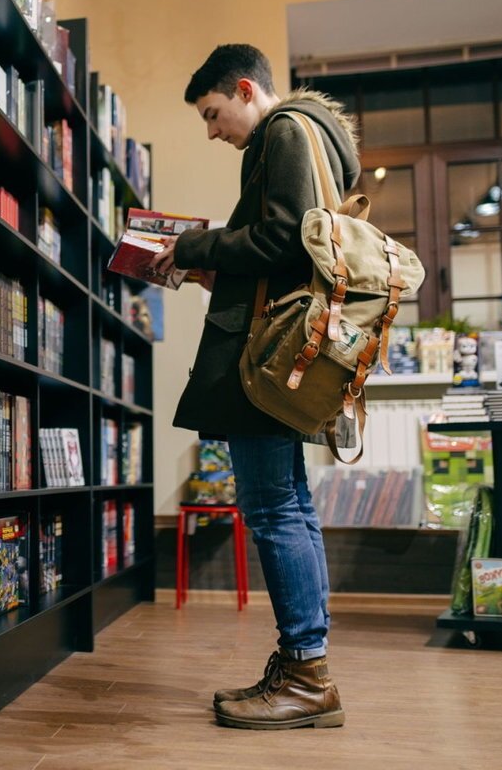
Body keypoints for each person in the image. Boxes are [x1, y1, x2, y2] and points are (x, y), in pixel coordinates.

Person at [152, 44, 359, 730]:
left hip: (268, 357)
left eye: (214, 114)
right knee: (289, 507)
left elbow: (280, 241)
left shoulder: (281, 131)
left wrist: (191, 248)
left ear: (245, 89)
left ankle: (306, 675)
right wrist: (222, 266)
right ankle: (305, 663)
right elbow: (288, 248)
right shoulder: (313, 135)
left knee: (273, 511)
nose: (213, 131)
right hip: (290, 349)